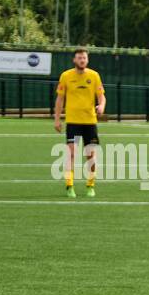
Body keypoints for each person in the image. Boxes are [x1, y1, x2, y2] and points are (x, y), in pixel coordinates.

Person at [53, 47, 105, 199]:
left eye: (84, 58)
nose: (82, 60)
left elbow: (101, 96)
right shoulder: (66, 76)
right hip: (73, 123)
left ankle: (90, 185)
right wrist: (57, 118)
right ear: (74, 60)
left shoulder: (94, 76)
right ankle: (70, 186)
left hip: (89, 123)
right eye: (79, 58)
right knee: (71, 154)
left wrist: (101, 106)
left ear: (87, 60)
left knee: (91, 155)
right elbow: (60, 99)